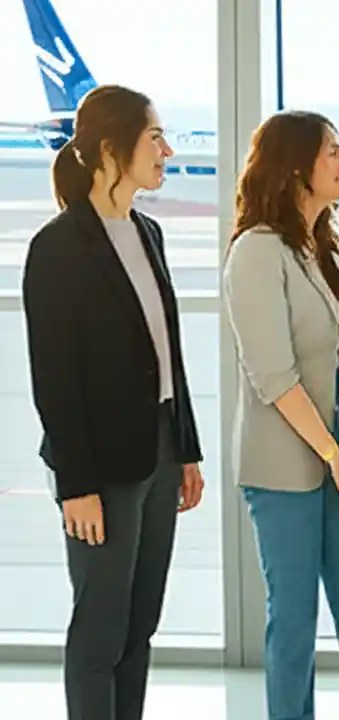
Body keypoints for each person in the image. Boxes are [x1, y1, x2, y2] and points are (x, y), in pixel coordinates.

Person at [21, 84, 206, 720]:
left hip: (158, 447)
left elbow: (167, 353)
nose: (167, 150)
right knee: (100, 627)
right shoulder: (58, 247)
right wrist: (76, 485)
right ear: (111, 148)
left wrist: (186, 448)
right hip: (98, 464)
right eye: (155, 137)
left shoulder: (147, 231)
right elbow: (54, 379)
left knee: (139, 624)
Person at [222, 110, 339, 720]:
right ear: (297, 164)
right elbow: (273, 376)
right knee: (295, 619)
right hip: (284, 467)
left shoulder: (324, 243)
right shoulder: (256, 252)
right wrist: (335, 457)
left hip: (338, 459)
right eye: (333, 151)